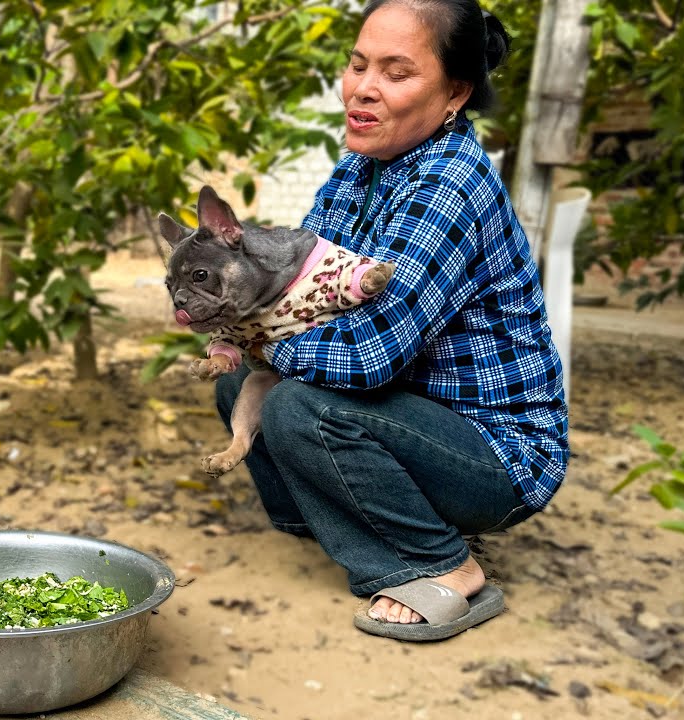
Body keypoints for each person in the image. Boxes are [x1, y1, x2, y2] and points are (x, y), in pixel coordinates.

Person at [215, 0, 568, 641]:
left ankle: (446, 567)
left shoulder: (453, 183)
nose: (363, 88)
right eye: (357, 65)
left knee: (296, 403)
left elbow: (370, 353)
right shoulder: (357, 168)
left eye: (396, 73)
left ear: (454, 93)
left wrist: (265, 343)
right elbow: (303, 283)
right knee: (237, 382)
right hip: (411, 413)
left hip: (494, 454)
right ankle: (342, 524)